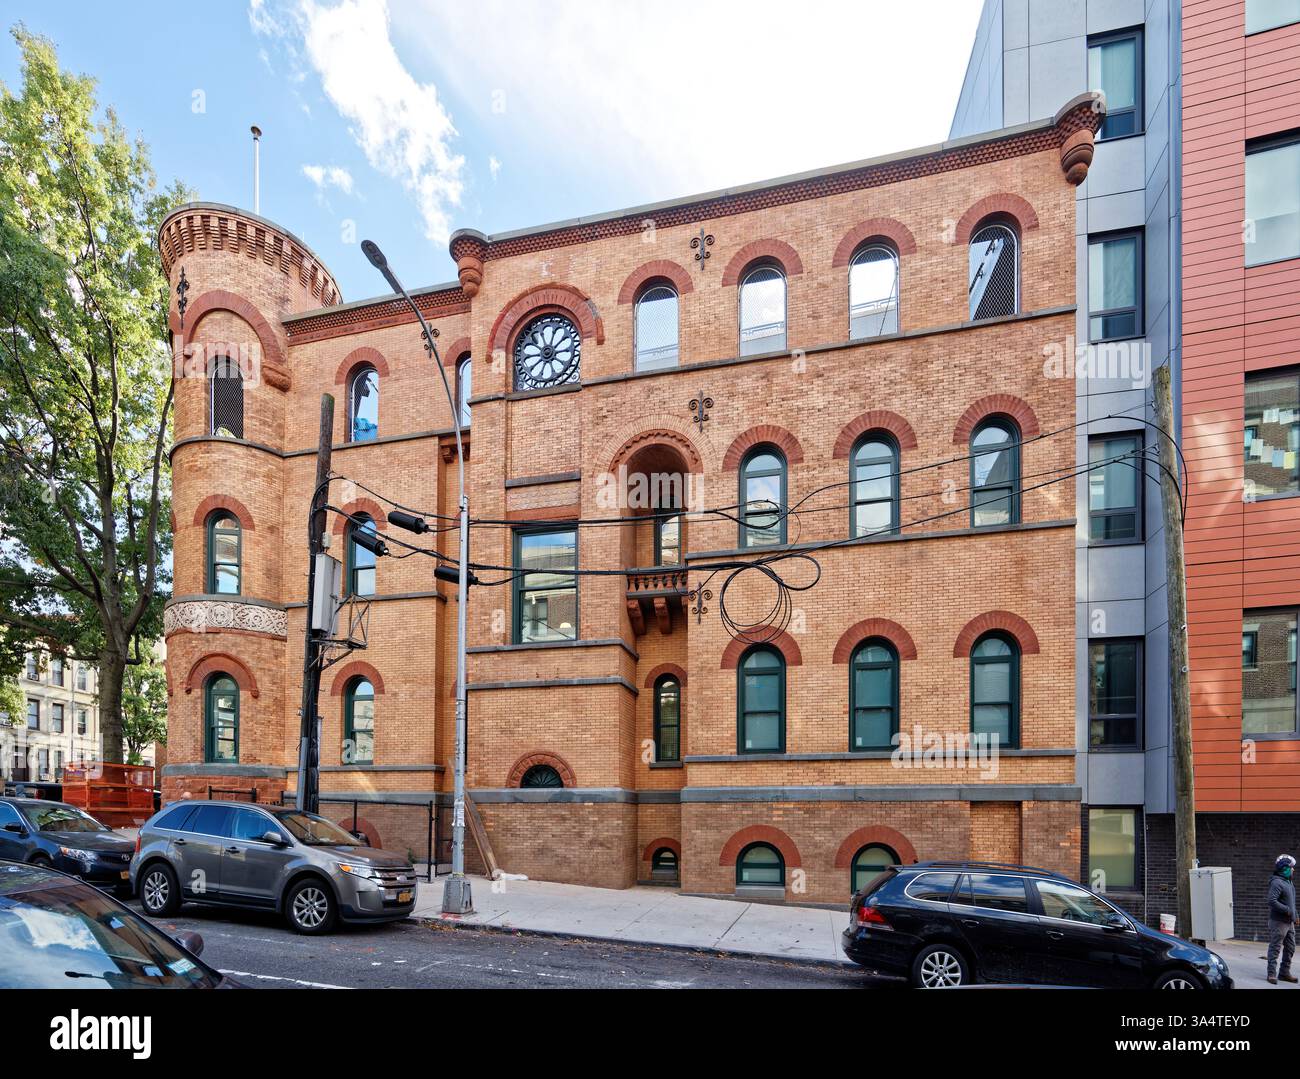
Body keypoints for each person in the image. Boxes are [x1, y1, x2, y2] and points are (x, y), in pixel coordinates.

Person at [1267, 854, 1298, 984]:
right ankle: (1271, 974)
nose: (1293, 870)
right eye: (1291, 867)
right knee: (1275, 947)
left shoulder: (1288, 882)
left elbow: (1291, 902)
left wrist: (1295, 916)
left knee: (1290, 947)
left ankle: (1284, 973)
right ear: (1284, 868)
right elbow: (1271, 901)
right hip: (1279, 921)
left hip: (1288, 922)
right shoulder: (1277, 882)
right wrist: (1288, 911)